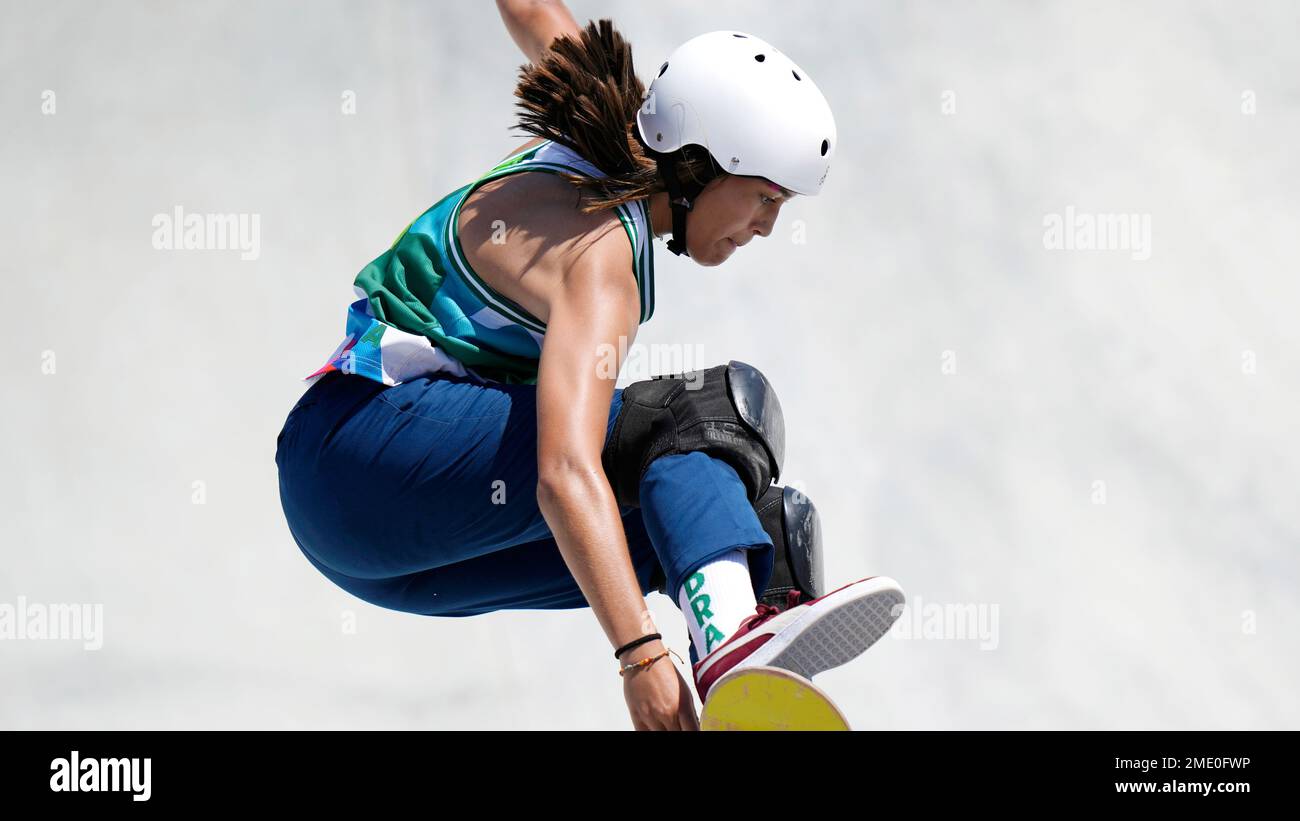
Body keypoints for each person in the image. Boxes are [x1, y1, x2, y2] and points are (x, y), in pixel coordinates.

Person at [275, 3, 905, 731]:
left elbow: (532, 9)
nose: (766, 225)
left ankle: (754, 671)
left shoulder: (595, 98)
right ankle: (732, 644)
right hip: (358, 449)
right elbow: (564, 471)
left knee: (742, 525)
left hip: (381, 547)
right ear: (700, 163)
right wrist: (639, 652)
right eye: (764, 196)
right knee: (705, 417)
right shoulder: (602, 264)